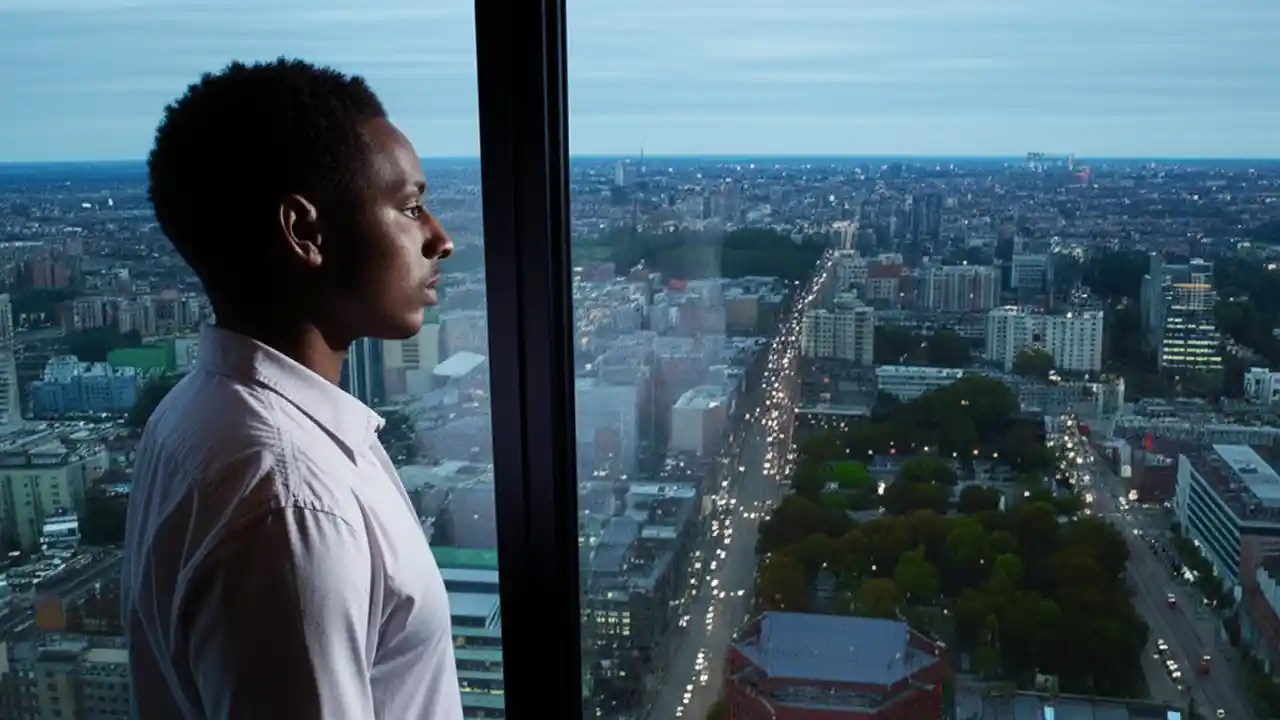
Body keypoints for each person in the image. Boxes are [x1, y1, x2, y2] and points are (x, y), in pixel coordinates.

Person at [121, 58, 462, 719]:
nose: (439, 239)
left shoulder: (194, 416)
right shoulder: (291, 501)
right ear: (306, 231)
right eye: (411, 206)